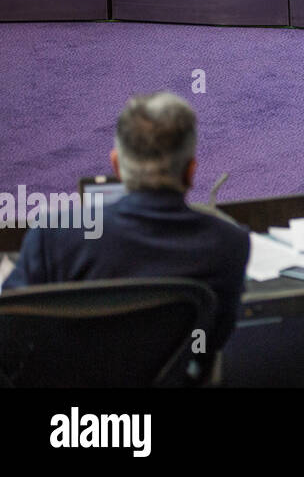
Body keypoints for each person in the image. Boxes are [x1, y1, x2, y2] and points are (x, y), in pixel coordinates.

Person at [2, 93, 250, 361]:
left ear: (117, 166)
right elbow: (214, 340)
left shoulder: (54, 234)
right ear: (190, 171)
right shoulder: (230, 244)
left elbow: (10, 334)